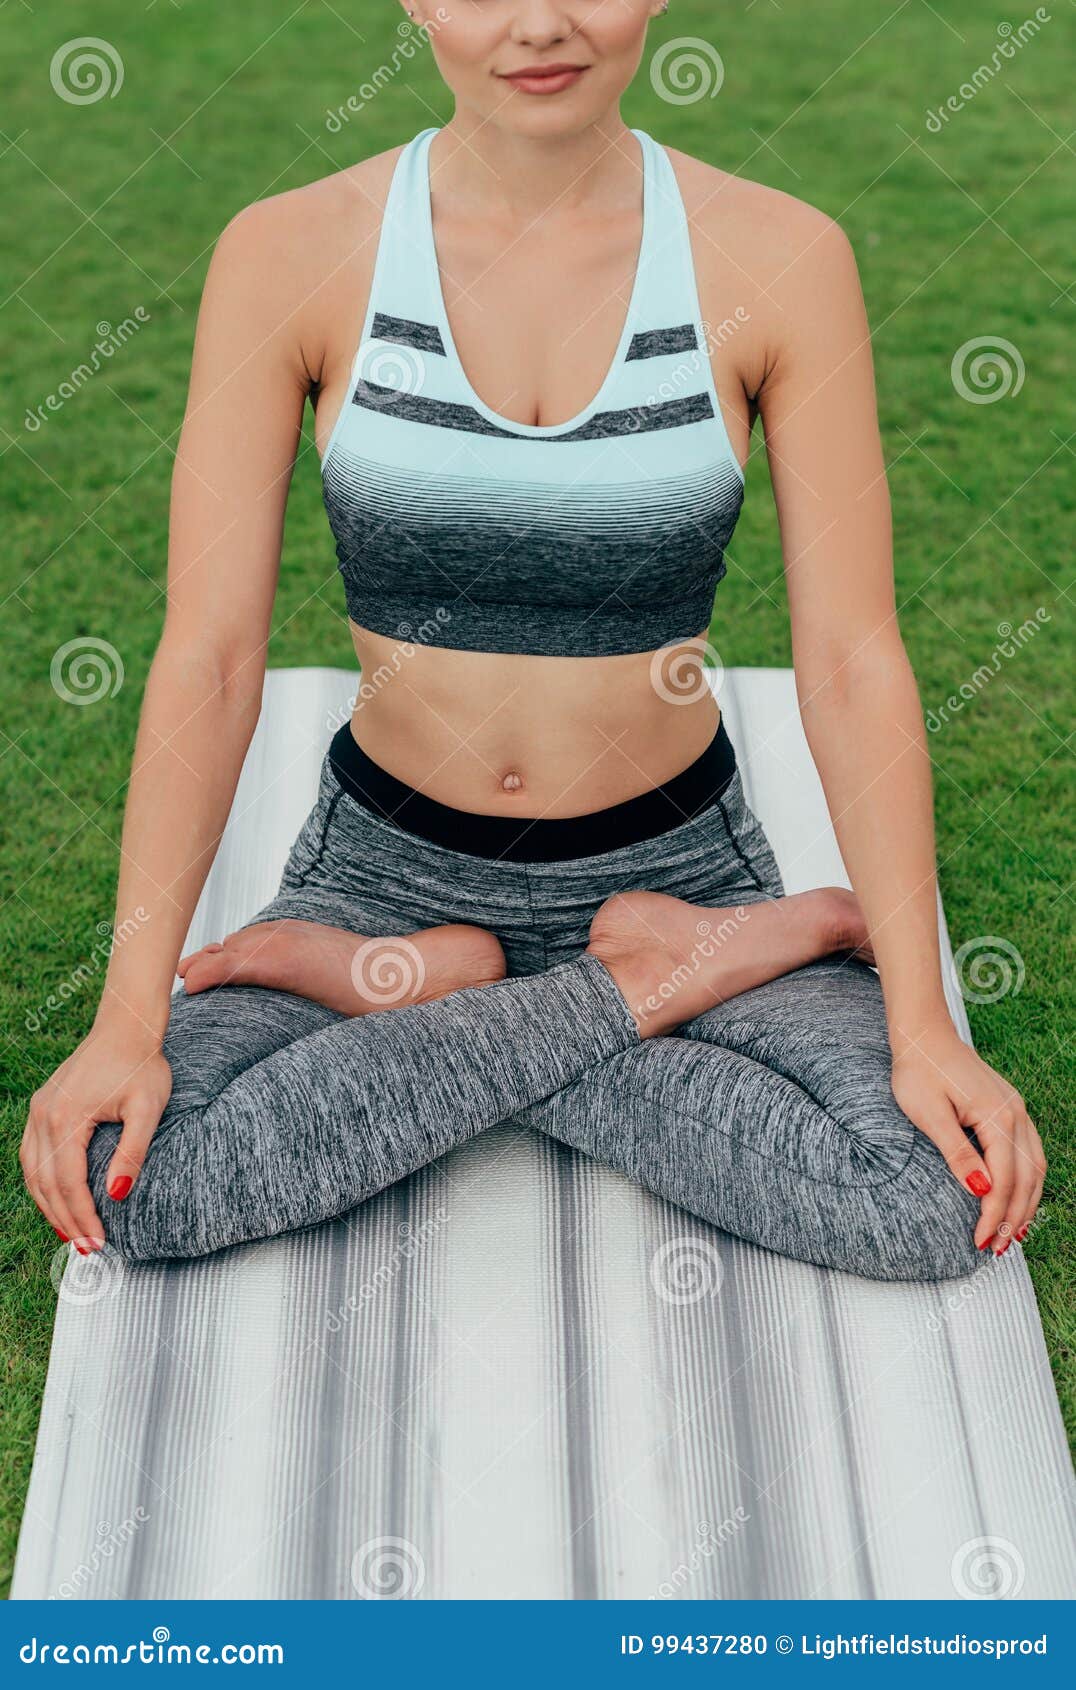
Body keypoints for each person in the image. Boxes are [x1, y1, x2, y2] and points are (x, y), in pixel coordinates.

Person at [21, 2, 1044, 1278]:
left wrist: (920, 1022)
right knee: (134, 1179)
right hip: (384, 876)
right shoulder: (290, 251)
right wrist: (125, 1022)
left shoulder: (779, 255)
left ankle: (449, 992)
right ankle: (608, 983)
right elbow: (212, 657)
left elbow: (849, 658)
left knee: (927, 1194)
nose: (539, 23)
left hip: (683, 872)